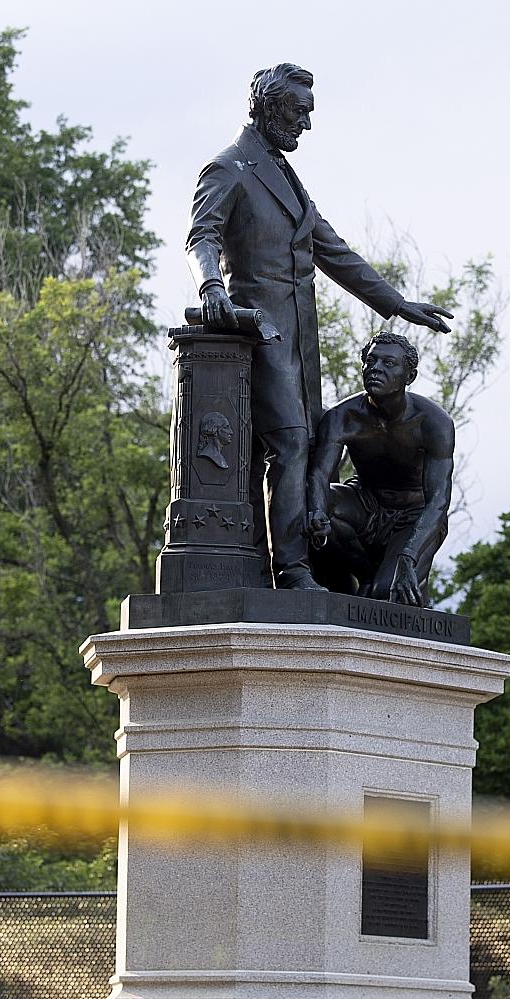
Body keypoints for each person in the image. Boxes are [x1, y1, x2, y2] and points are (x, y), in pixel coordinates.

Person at [185, 62, 453, 592]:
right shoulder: (230, 168)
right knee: (289, 446)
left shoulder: (285, 176)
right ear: (265, 105)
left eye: (308, 112)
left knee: (298, 451)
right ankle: (292, 570)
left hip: (301, 345)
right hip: (260, 336)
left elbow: (334, 252)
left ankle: (289, 564)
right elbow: (202, 237)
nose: (306, 124)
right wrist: (212, 289)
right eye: (298, 111)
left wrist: (396, 304)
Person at [307, 332, 454, 606]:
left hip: (412, 515)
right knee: (318, 501)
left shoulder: (434, 423)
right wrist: (316, 512)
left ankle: (385, 579)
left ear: (409, 376)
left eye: (389, 363)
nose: (376, 369)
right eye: (371, 361)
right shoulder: (343, 417)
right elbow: (318, 476)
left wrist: (410, 556)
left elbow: (438, 501)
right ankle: (364, 576)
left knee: (386, 597)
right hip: (365, 505)